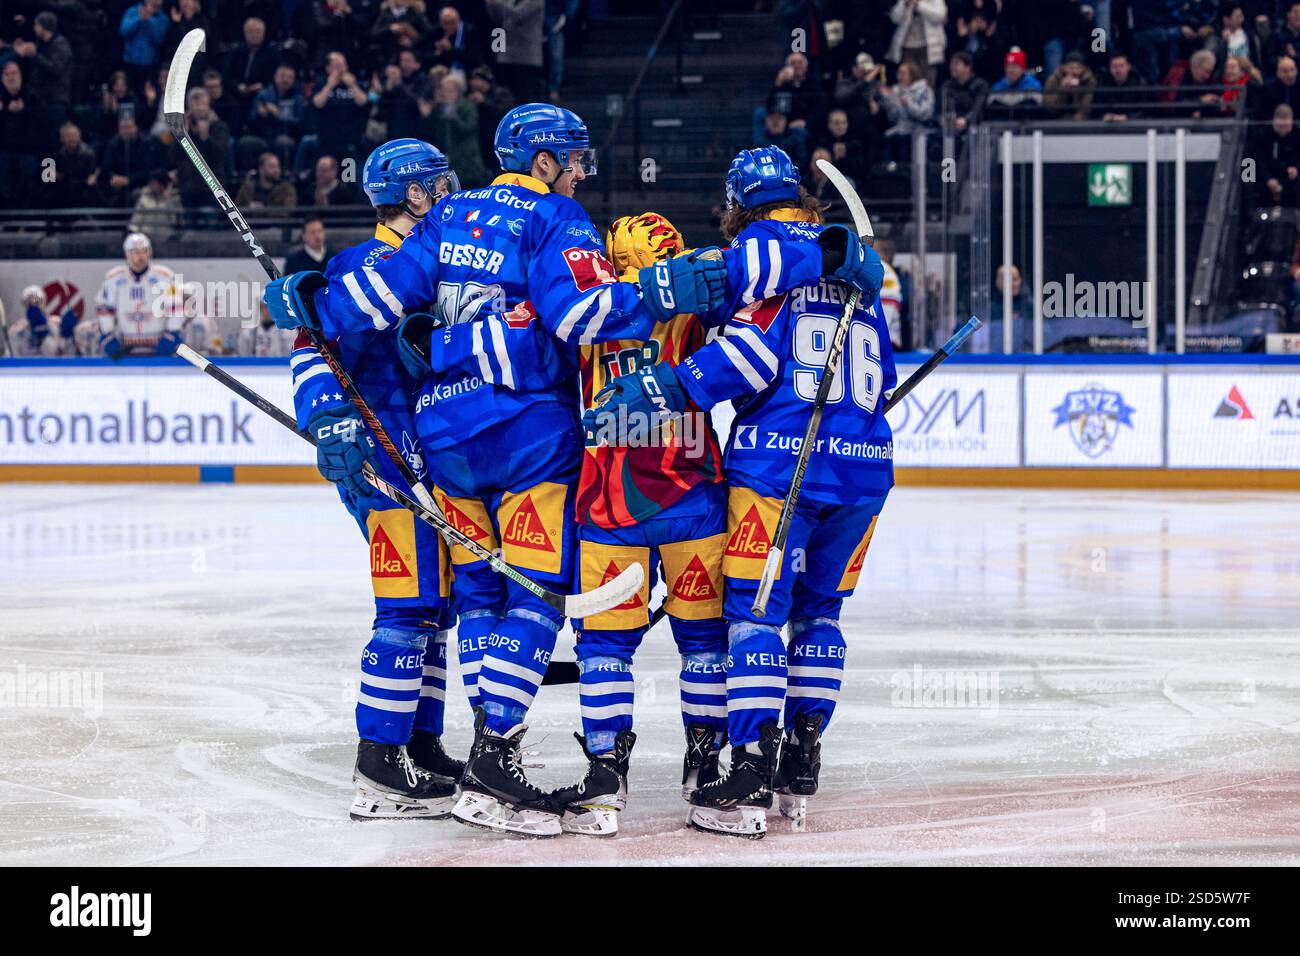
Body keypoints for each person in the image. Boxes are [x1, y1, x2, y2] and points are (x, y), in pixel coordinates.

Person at [261, 104, 733, 837]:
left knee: (473, 598)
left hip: (442, 441)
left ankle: (468, 753)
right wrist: (659, 293)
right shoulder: (555, 217)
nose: (579, 173)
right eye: (573, 159)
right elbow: (578, 316)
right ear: (544, 161)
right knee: (531, 600)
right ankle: (487, 757)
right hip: (522, 434)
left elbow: (371, 301)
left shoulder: (449, 219)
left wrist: (310, 297)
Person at [581, 146, 889, 837]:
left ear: (737, 207)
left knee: (753, 617)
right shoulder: (854, 269)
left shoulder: (761, 254)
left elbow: (745, 357)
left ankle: (749, 770)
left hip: (780, 466)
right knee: (820, 615)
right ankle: (800, 762)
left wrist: (665, 386)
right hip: (866, 466)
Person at [285, 139, 462, 819]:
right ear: (415, 194)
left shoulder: (441, 259)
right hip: (382, 459)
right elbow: (312, 350)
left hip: (431, 457)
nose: (451, 192)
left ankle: (420, 741)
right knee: (408, 605)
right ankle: (380, 763)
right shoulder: (363, 265)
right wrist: (328, 417)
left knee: (435, 606)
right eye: (440, 184)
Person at [95, 233, 182, 358]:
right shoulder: (113, 278)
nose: (140, 256)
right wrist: (108, 335)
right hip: (124, 345)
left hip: (159, 342)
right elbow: (105, 309)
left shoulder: (165, 276)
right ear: (127, 254)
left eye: (144, 251)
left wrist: (171, 334)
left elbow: (176, 307)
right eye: (135, 252)